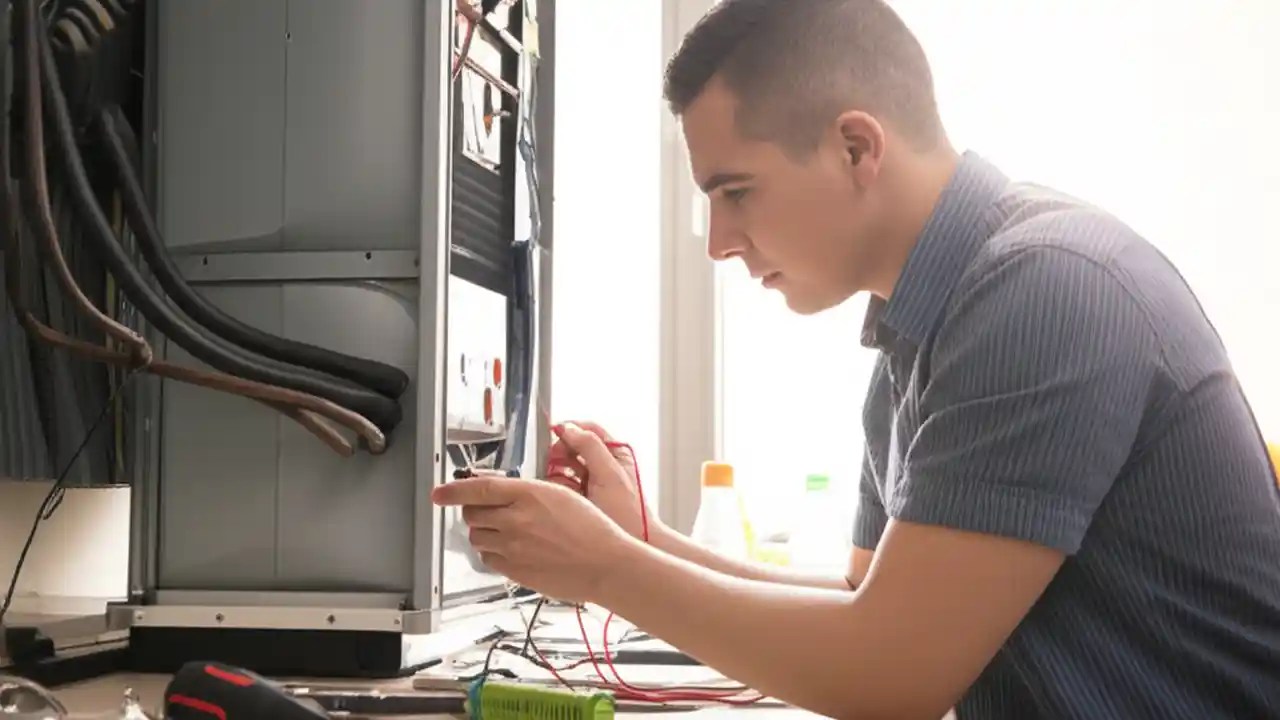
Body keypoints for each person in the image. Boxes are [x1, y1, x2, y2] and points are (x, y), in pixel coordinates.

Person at [433, 0, 1280, 717]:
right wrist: (647, 541)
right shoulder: (917, 331)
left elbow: (890, 674)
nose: (720, 242)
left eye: (735, 192)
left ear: (855, 148)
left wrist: (610, 568)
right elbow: (862, 608)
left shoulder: (1048, 288)